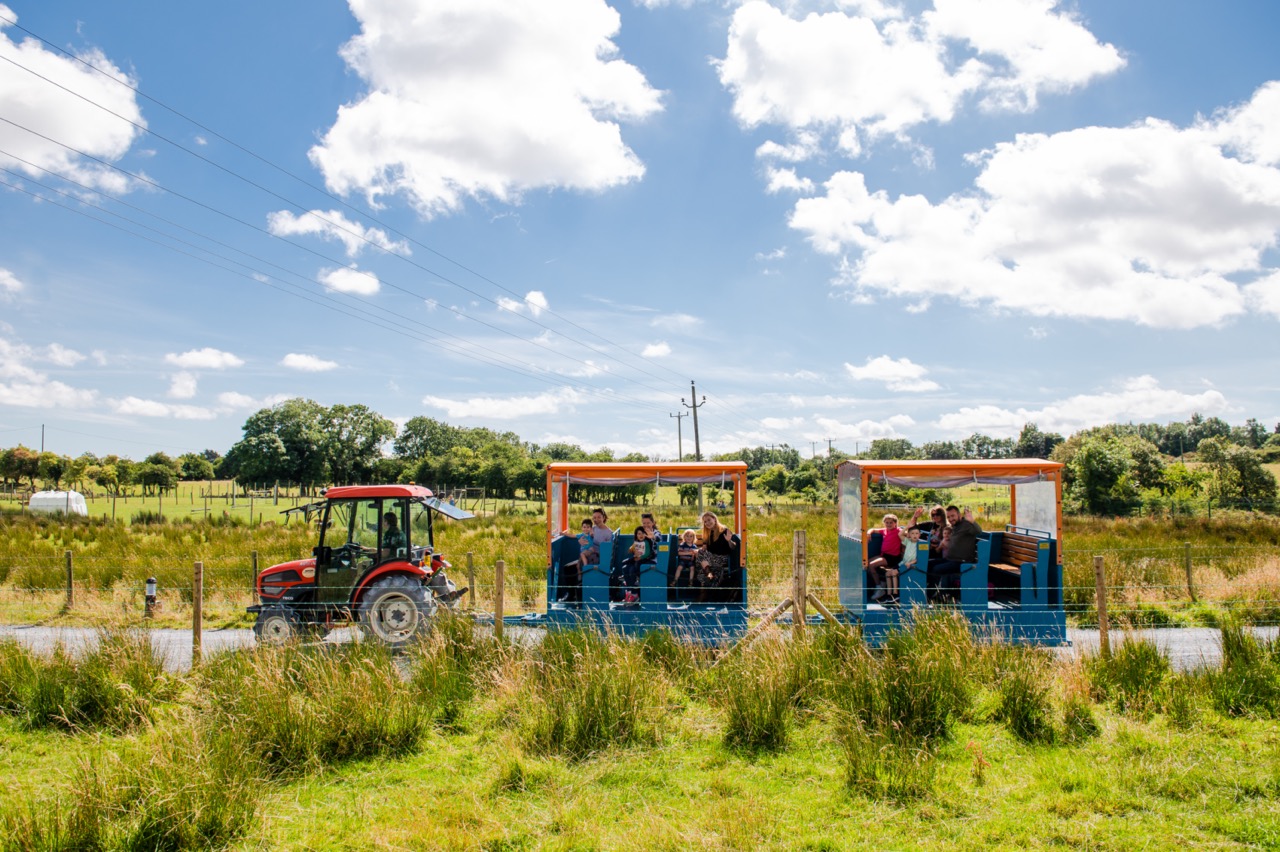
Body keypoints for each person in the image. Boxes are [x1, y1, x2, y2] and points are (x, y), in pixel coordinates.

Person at [927, 505, 982, 601]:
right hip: (950, 559)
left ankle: (932, 595)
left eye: (953, 516)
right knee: (928, 563)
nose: (951, 519)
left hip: (962, 561)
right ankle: (927, 592)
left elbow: (978, 531)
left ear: (959, 515)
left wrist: (972, 520)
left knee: (936, 569)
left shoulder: (966, 524)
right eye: (948, 517)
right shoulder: (955, 526)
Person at [695, 511, 739, 603]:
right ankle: (709, 578)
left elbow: (733, 546)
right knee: (701, 556)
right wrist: (704, 545)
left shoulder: (724, 530)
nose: (707, 523)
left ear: (714, 519)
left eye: (709, 520)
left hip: (721, 558)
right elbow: (708, 545)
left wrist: (729, 541)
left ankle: (705, 591)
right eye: (705, 522)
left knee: (701, 559)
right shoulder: (709, 532)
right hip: (710, 559)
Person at [867, 513, 903, 602]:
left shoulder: (898, 531)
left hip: (892, 557)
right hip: (884, 555)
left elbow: (906, 532)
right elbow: (873, 529)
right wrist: (868, 533)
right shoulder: (884, 531)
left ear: (895, 523)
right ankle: (881, 583)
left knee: (871, 565)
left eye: (891, 523)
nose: (889, 524)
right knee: (866, 563)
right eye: (887, 523)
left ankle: (879, 588)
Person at [613, 526, 653, 604]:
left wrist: (640, 557)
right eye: (639, 534)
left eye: (642, 534)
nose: (641, 535)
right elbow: (631, 549)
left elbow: (648, 553)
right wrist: (632, 549)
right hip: (636, 558)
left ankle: (635, 589)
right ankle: (629, 589)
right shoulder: (636, 542)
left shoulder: (646, 542)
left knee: (632, 569)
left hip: (643, 559)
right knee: (624, 565)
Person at [672, 528, 698, 600]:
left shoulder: (694, 546)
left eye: (691, 536)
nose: (689, 538)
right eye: (687, 536)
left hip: (690, 561)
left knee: (692, 568)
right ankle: (675, 580)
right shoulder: (683, 545)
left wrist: (694, 555)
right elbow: (679, 553)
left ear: (693, 538)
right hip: (683, 560)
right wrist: (689, 553)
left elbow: (694, 555)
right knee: (679, 567)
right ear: (684, 537)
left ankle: (691, 581)